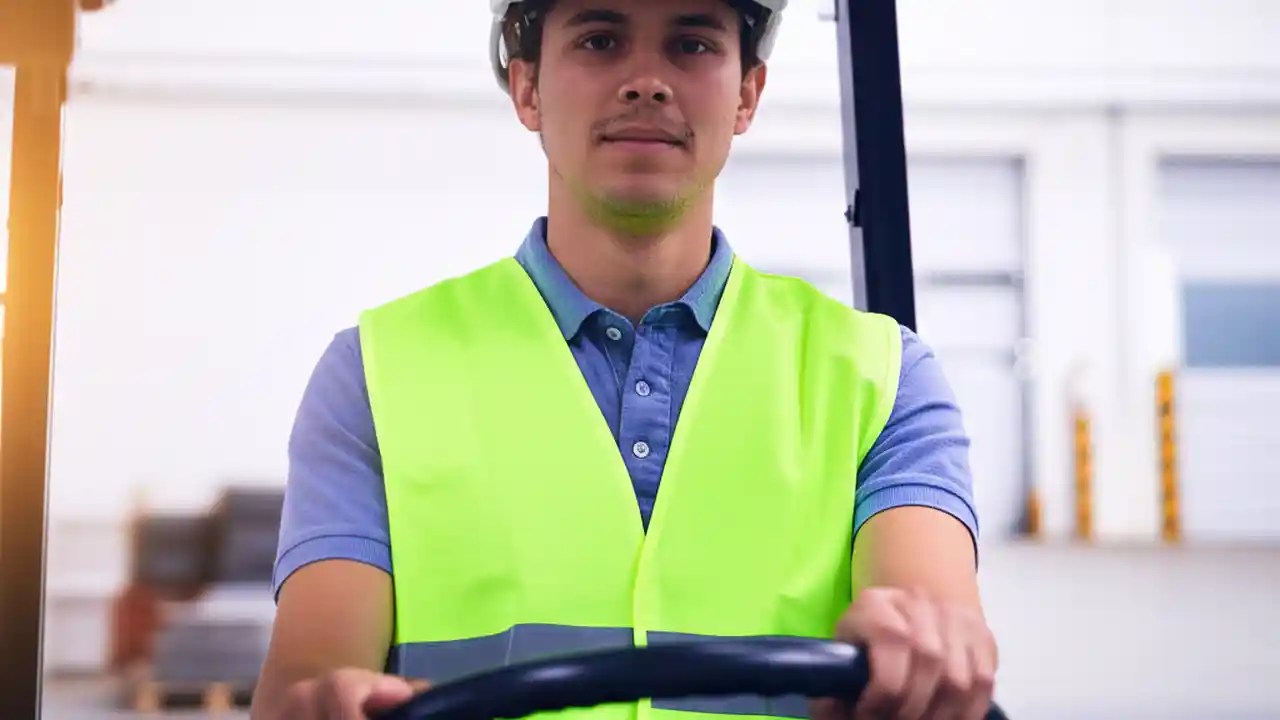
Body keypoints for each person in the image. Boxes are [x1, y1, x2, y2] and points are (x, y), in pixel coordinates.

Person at [250, 0, 998, 718]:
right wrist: (322, 702)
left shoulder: (884, 379)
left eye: (692, 43)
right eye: (601, 40)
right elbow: (312, 681)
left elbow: (930, 617)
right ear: (526, 88)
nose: (647, 80)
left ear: (747, 94)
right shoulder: (376, 376)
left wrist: (930, 648)